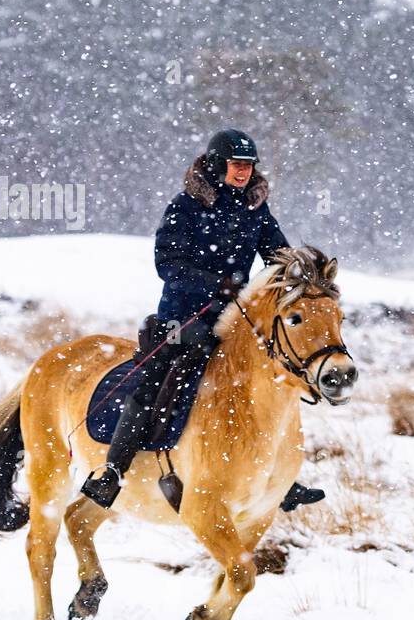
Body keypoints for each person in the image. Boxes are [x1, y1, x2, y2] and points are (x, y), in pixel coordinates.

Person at [79, 129, 326, 512]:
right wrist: (215, 283)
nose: (243, 172)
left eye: (248, 166)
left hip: (234, 317)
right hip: (182, 317)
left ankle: (280, 478)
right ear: (216, 164)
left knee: (271, 376)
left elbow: (278, 254)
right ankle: (113, 469)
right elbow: (168, 264)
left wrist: (303, 270)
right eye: (236, 164)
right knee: (158, 379)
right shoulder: (186, 206)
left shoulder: (255, 209)